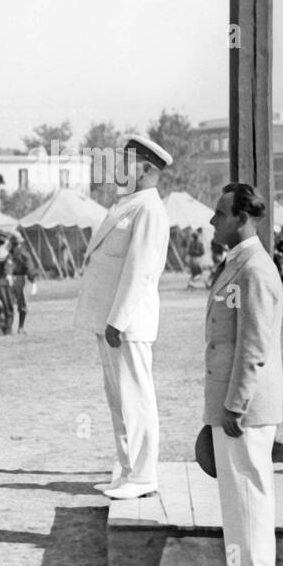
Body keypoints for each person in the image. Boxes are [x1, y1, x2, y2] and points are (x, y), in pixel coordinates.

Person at [73, 134, 171, 500]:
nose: (119, 170)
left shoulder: (148, 209)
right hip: (111, 320)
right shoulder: (128, 205)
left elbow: (141, 269)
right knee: (119, 399)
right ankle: (129, 470)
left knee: (137, 398)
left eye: (126, 163)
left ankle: (144, 474)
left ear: (145, 169)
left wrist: (119, 319)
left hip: (126, 322)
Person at [201, 183, 282, 566]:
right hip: (233, 400)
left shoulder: (255, 269)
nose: (213, 220)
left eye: (220, 213)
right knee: (235, 491)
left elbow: (256, 344)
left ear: (242, 218)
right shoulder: (238, 263)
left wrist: (236, 402)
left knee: (249, 488)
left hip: (244, 403)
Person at [6, 229, 36, 334]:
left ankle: (7, 328)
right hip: (20, 280)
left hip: (7, 280)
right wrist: (32, 280)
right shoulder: (24, 254)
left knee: (7, 304)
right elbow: (30, 268)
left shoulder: (7, 253)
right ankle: (20, 327)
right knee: (22, 305)